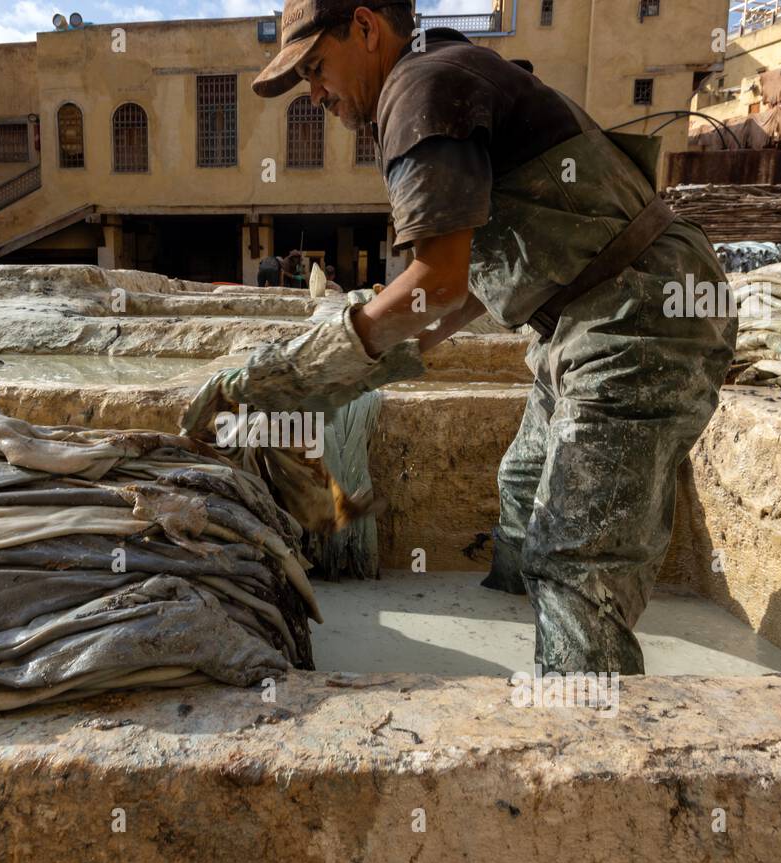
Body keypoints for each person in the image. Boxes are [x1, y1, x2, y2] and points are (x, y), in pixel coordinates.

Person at [249, 0, 736, 675]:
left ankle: (586, 734)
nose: (315, 93)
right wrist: (401, 350)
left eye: (315, 67)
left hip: (635, 315)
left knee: (577, 562)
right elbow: (473, 280)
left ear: (364, 27)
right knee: (523, 480)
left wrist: (322, 357)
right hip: (585, 312)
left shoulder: (416, 92)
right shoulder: (441, 81)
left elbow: (437, 278)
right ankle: (514, 626)